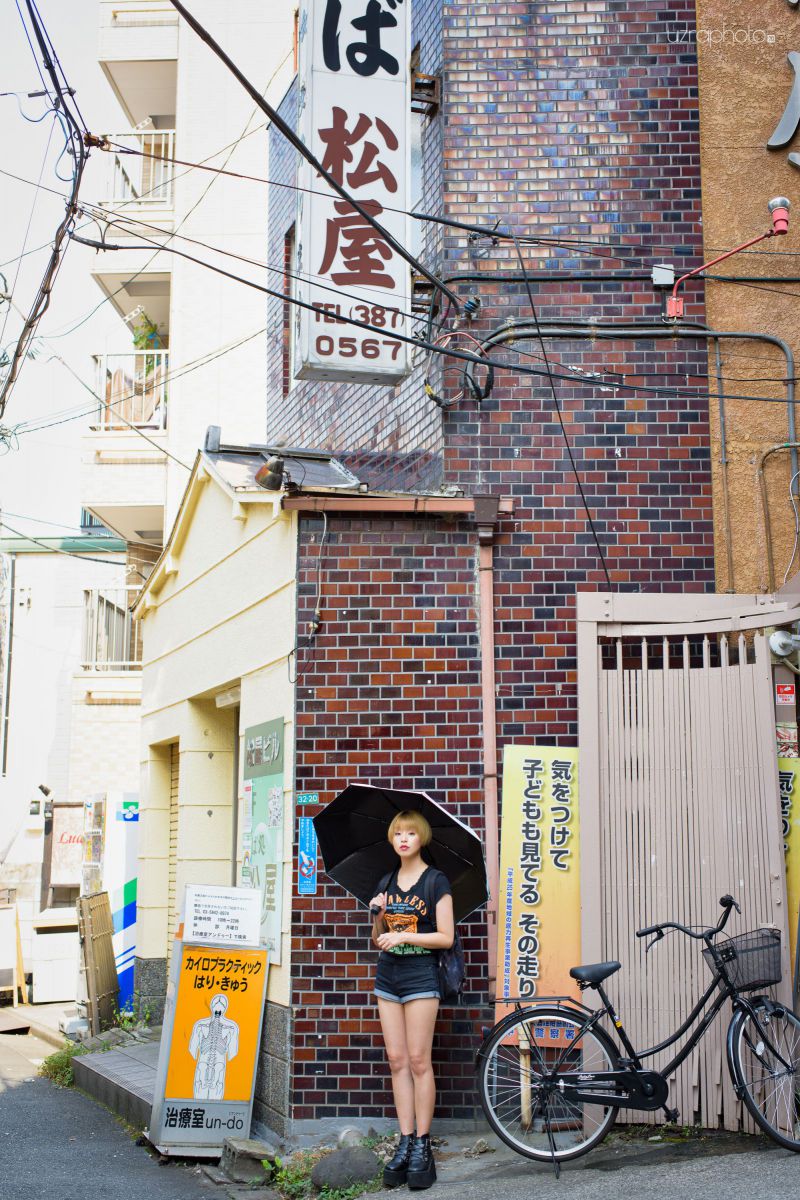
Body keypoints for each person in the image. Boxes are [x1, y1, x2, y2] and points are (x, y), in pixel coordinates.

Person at [369, 810, 455, 1191]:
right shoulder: (385, 881)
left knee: (420, 1060)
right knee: (397, 1060)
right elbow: (378, 938)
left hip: (421, 975)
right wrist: (379, 916)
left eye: (411, 833)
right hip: (388, 975)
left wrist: (406, 937)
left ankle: (423, 1144)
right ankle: (404, 1141)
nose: (403, 839)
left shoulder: (436, 881)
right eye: (398, 833)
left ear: (422, 838)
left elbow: (446, 937)